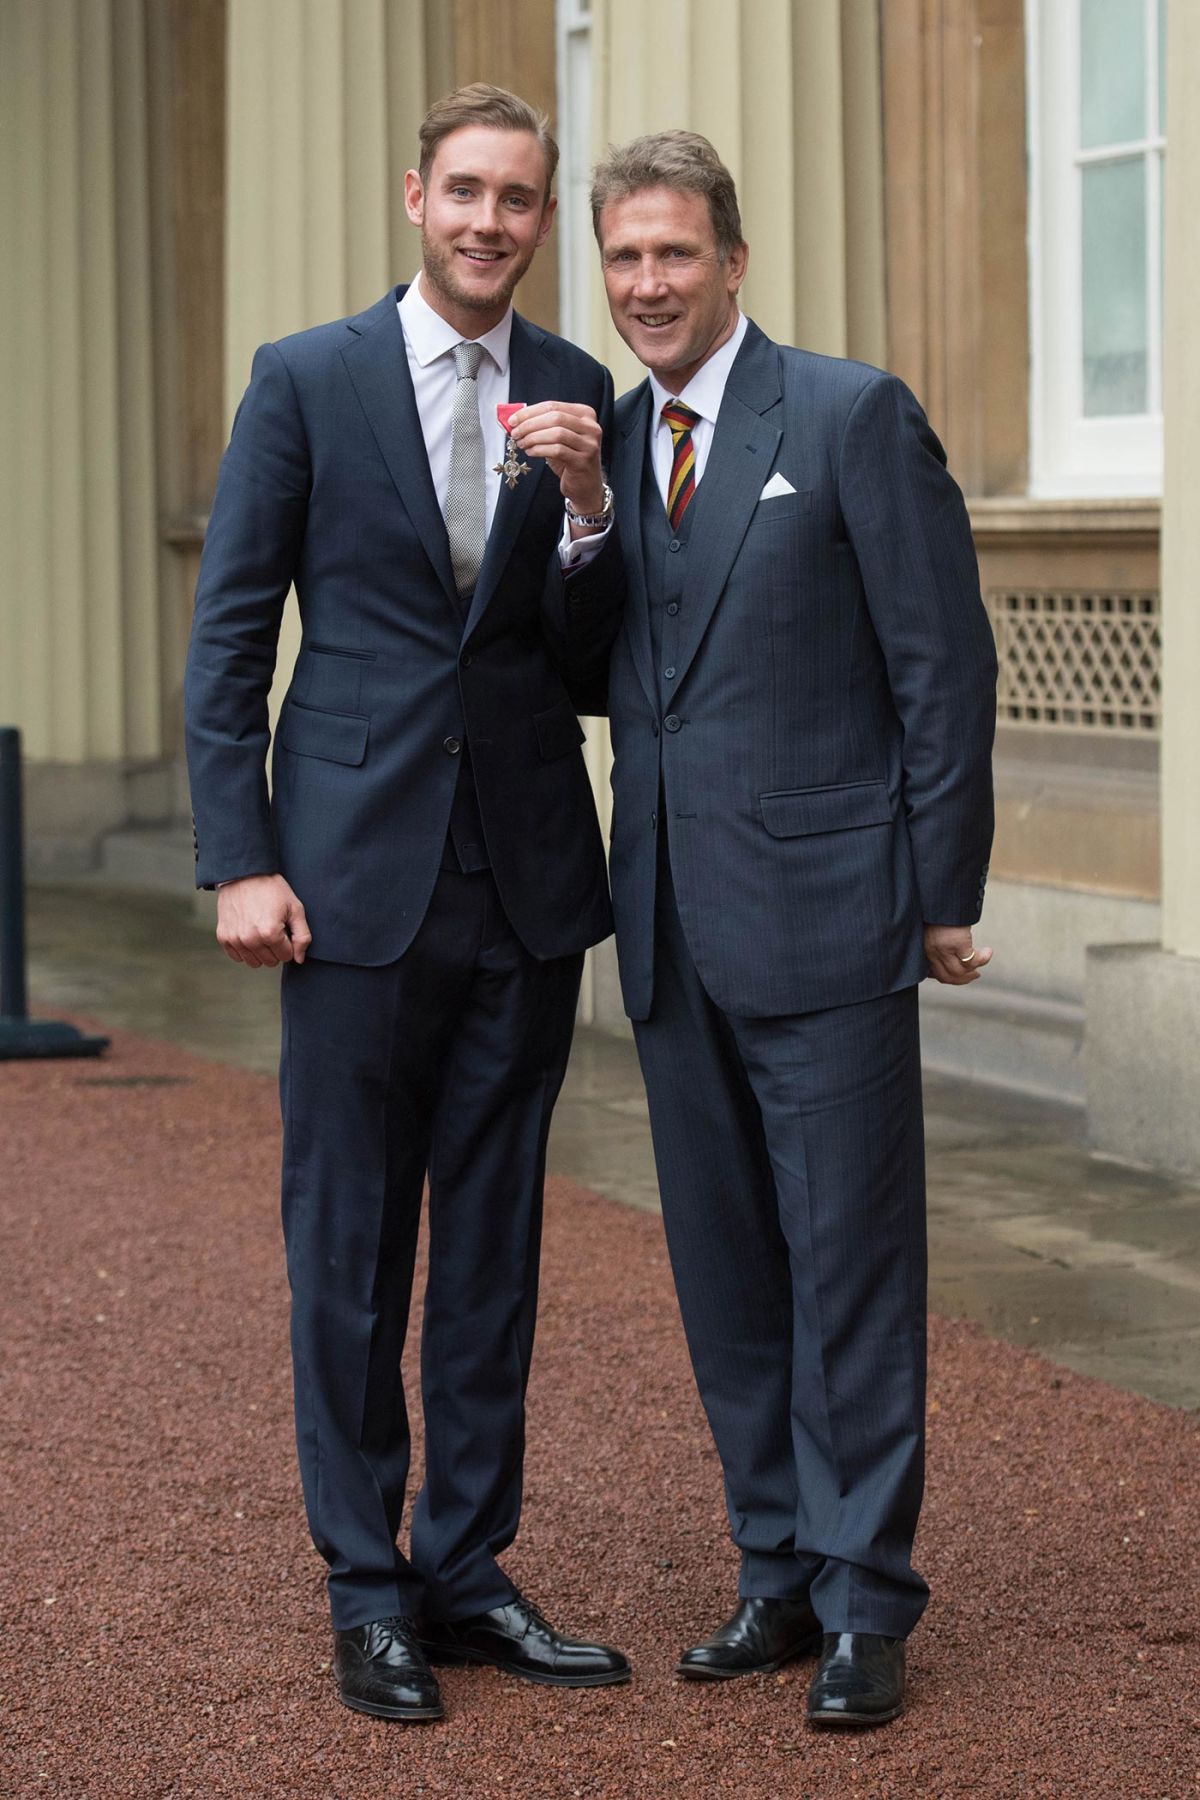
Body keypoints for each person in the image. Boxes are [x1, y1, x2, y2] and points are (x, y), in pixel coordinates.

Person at [184, 84, 631, 1723]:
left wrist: (592, 513)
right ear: (413, 197)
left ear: (540, 215)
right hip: (350, 884)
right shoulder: (303, 380)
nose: (490, 223)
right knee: (353, 1251)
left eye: (519, 200)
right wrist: (239, 854)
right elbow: (233, 633)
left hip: (520, 882)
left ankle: (466, 1571)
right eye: (466, 193)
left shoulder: (581, 390)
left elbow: (591, 666)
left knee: (498, 1250)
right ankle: (362, 1585)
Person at [589, 131, 997, 1727]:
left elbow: (940, 668)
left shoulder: (846, 414)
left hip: (828, 920)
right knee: (726, 1272)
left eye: (675, 254)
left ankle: (865, 1599)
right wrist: (565, 516)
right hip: (672, 930)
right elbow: (593, 657)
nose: (648, 285)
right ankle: (773, 1564)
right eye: (624, 259)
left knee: (848, 1271)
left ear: (735, 261)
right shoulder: (611, 449)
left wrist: (942, 890)